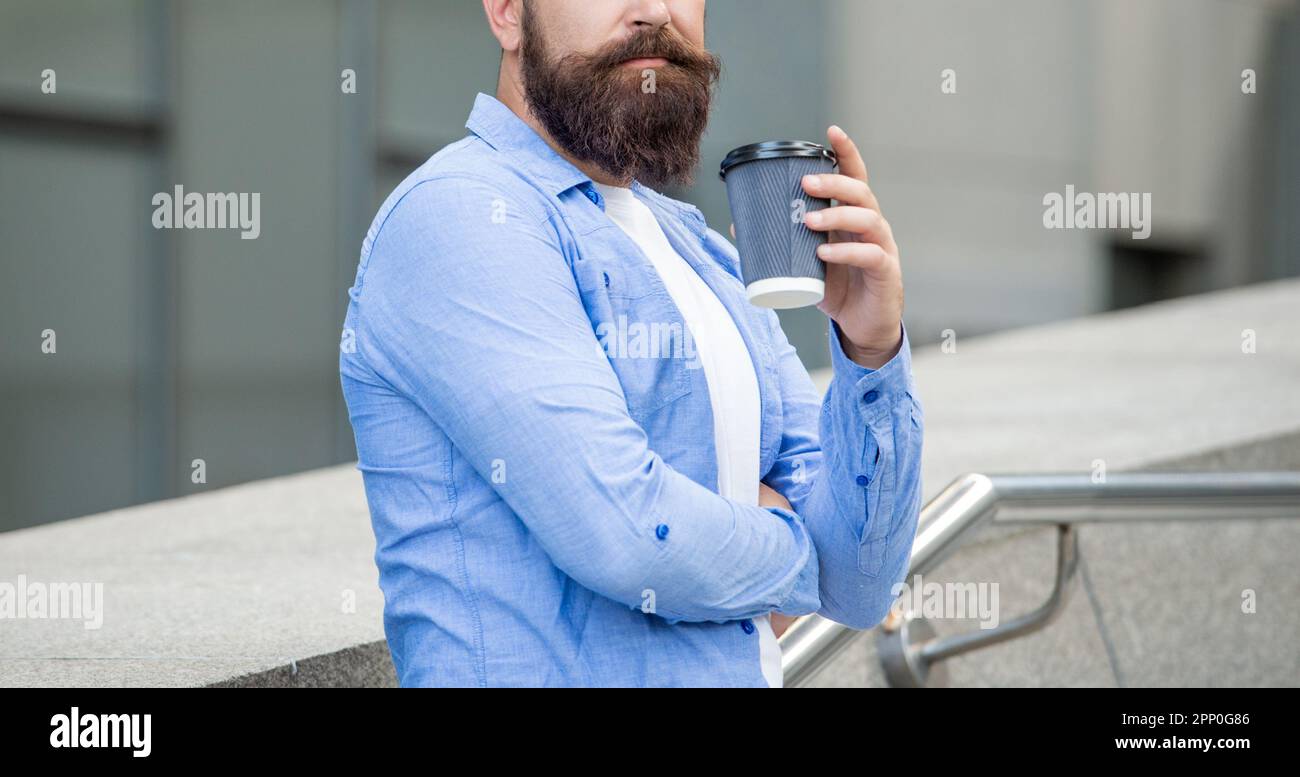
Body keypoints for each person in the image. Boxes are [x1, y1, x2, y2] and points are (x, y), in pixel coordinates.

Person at [339, 0, 924, 687]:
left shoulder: (702, 249)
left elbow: (859, 583)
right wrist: (802, 552)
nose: (653, 11)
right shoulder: (460, 214)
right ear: (505, 12)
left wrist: (870, 349)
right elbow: (628, 533)